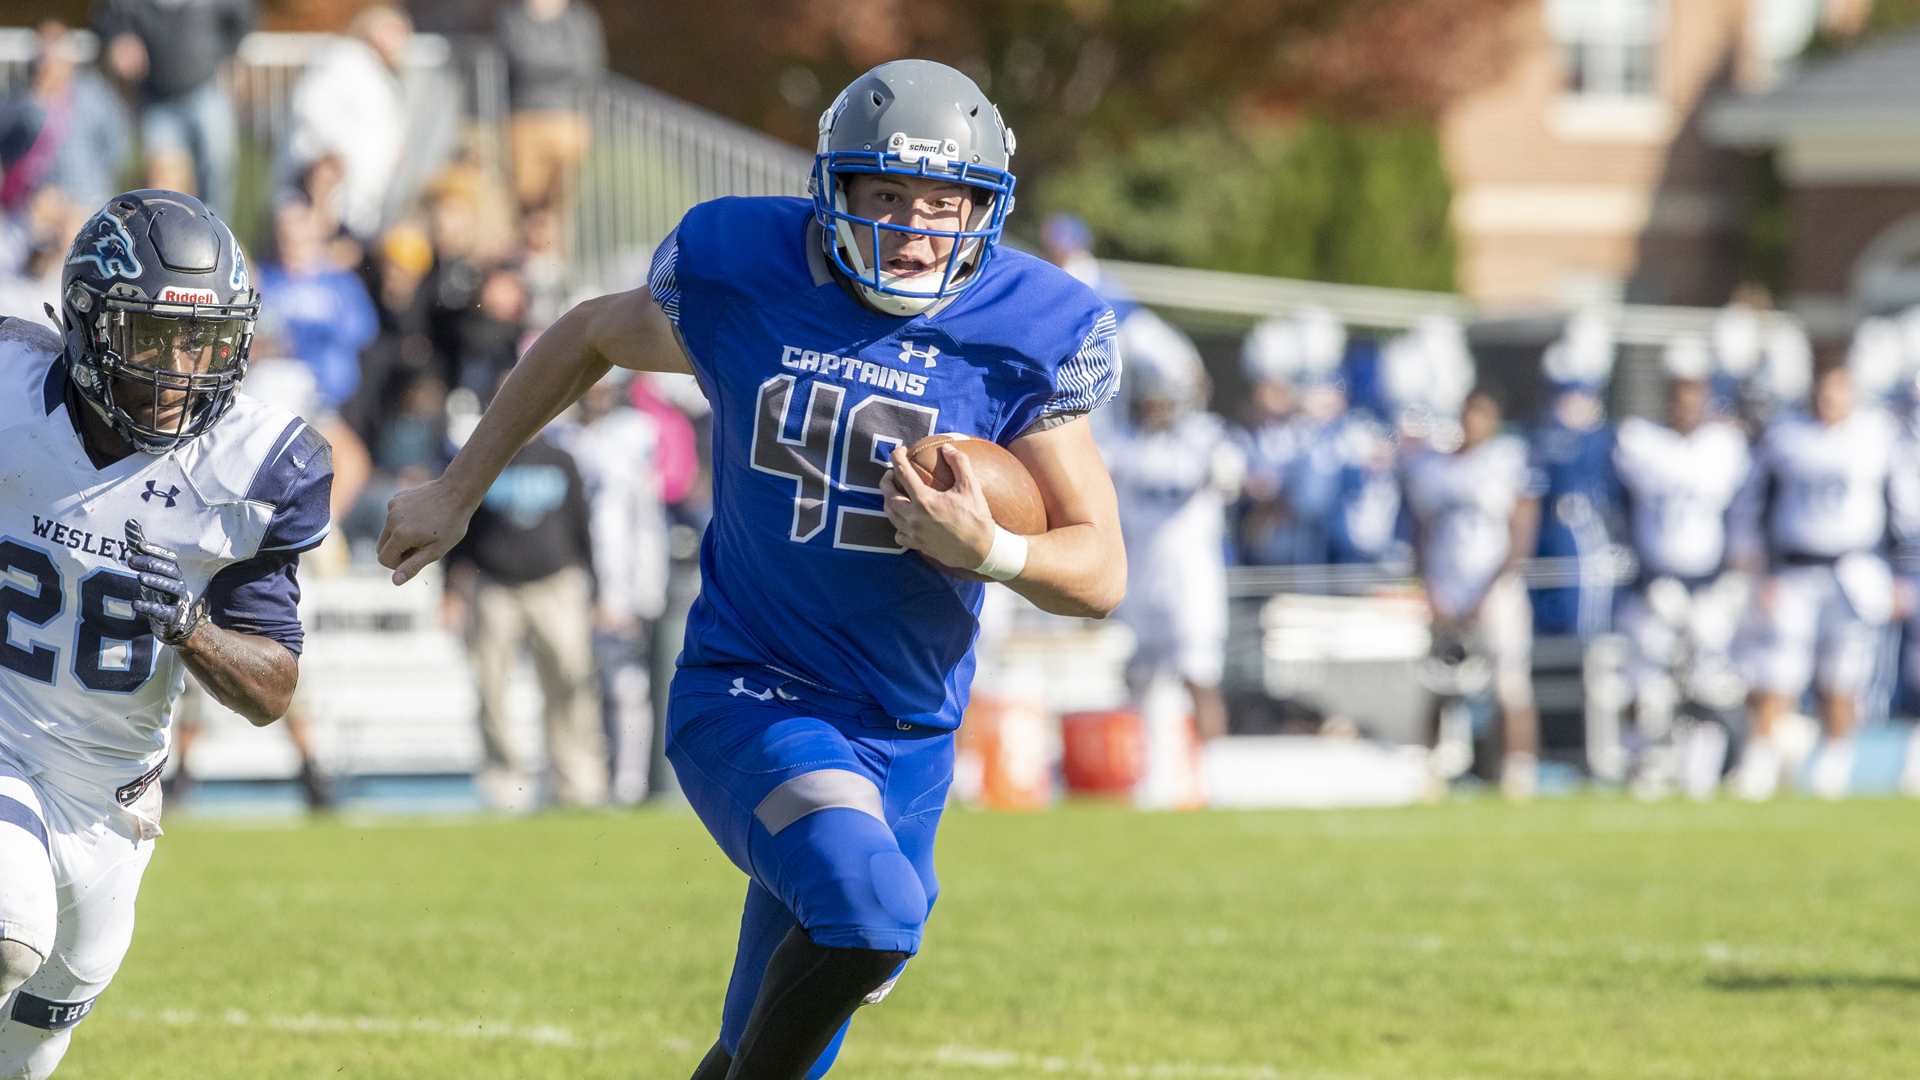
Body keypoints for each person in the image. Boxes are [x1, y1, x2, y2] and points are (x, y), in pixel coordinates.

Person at [378, 60, 1125, 1080]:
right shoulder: (750, 273)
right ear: (836, 188)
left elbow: (1099, 570)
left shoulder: (1022, 331)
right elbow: (591, 332)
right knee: (870, 916)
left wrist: (988, 550)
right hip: (752, 691)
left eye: (943, 203)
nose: (916, 230)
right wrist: (457, 489)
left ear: (983, 208)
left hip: (910, 730)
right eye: (888, 195)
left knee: (763, 1040)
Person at [0, 188, 330, 1074]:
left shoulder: (253, 468)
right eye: (151, 337)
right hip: (6, 739)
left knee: (36, 1036)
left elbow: (272, 689)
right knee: (6, 931)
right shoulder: (9, 386)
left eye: (204, 341)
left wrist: (193, 629)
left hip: (113, 792)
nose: (180, 369)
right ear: (86, 325)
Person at [1730, 363, 1906, 800]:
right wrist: (1764, 567)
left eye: (1839, 391)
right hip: (1794, 568)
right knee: (1777, 670)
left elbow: (1898, 509)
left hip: (1854, 571)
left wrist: (1900, 574)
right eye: (1825, 391)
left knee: (1843, 677)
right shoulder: (1786, 436)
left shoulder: (1877, 436)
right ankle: (1760, 763)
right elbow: (1759, 502)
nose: (1830, 401)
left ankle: (1834, 766)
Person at [1611, 339, 1752, 798]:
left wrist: (1732, 578)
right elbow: (1619, 513)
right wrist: (1646, 577)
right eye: (1678, 392)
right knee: (1648, 686)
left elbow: (1743, 514)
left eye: (1694, 392)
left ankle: (1700, 774)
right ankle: (1644, 766)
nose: (1686, 402)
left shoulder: (1725, 446)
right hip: (1654, 585)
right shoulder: (1641, 443)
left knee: (1710, 683)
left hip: (1709, 584)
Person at [442, 416, 602, 811]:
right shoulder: (482, 459)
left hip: (556, 585)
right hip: (494, 587)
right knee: (491, 689)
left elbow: (582, 524)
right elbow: (459, 525)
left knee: (571, 683)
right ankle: (504, 785)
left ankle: (577, 784)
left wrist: (596, 590)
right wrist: (450, 589)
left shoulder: (561, 459)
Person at [1402, 386, 1544, 800]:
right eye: (1468, 414)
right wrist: (1431, 590)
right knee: (1439, 681)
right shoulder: (1433, 468)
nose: (1473, 424)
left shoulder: (1508, 460)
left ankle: (1518, 773)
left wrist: (1489, 591)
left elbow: (1521, 532)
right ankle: (1430, 771)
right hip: (1447, 590)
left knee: (1509, 683)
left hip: (1496, 587)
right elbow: (1420, 535)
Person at [1100, 345, 1238, 743]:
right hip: (1140, 573)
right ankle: (1148, 767)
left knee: (1199, 673)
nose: (1153, 404)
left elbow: (1230, 475)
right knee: (1139, 680)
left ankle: (1212, 766)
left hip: (1190, 576)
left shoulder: (1206, 437)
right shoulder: (1122, 442)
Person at [549, 372, 668, 804]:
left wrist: (643, 589)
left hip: (619, 582)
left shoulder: (634, 432)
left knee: (625, 684)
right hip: (568, 576)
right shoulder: (560, 436)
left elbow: (644, 519)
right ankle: (577, 781)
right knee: (569, 682)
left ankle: (628, 784)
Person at [91, 0, 252, 215]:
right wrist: (117, 38)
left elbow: (241, 15)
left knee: (216, 174)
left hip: (208, 90)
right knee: (160, 188)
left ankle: (214, 232)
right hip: (157, 99)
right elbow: (111, 16)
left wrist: (226, 56)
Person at [283, 5, 412, 242]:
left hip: (362, 197)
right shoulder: (343, 62)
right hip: (334, 191)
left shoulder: (376, 73)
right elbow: (312, 109)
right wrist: (336, 156)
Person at [1528, 314, 1620, 641]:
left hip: (1583, 531)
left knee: (1583, 619)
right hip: (1546, 532)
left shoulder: (1603, 440)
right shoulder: (1540, 436)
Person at [0, 21, 129, 215]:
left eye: (57, 45)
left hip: (88, 200)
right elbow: (10, 148)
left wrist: (96, 181)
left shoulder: (91, 93)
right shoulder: (19, 99)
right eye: (45, 47)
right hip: (37, 204)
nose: (50, 57)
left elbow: (116, 140)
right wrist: (37, 101)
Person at [496, 0, 605, 218]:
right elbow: (520, 59)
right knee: (524, 203)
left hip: (568, 119)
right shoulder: (513, 17)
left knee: (560, 206)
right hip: (523, 119)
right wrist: (558, 68)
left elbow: (587, 66)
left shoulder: (578, 18)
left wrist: (540, 65)